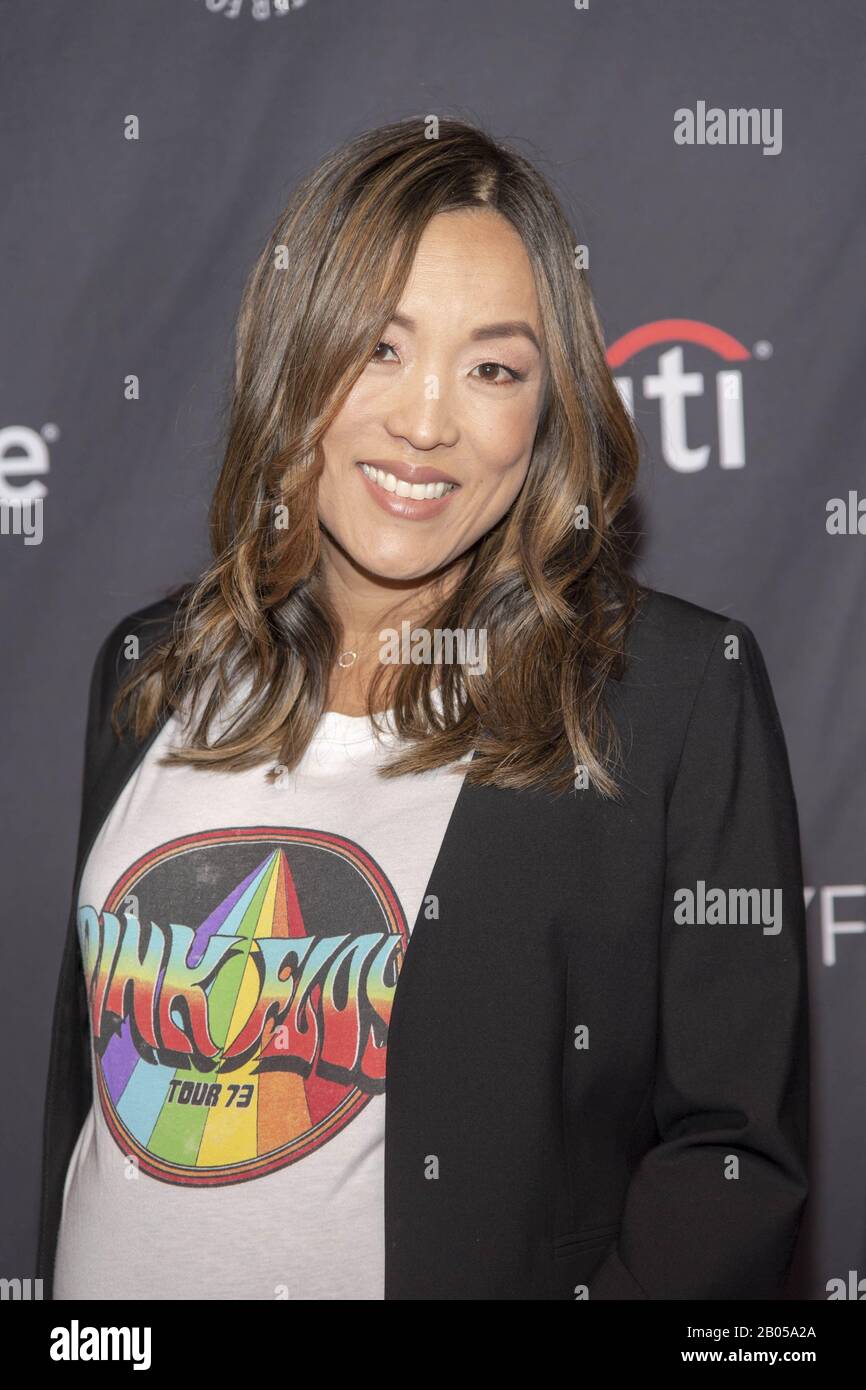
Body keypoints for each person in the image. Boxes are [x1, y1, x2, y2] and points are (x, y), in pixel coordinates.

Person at [37, 115, 809, 1301]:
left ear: (546, 411)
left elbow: (729, 1158)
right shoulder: (153, 666)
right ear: (297, 355)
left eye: (493, 367)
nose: (426, 421)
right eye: (380, 348)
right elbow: (92, 1102)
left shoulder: (665, 693)